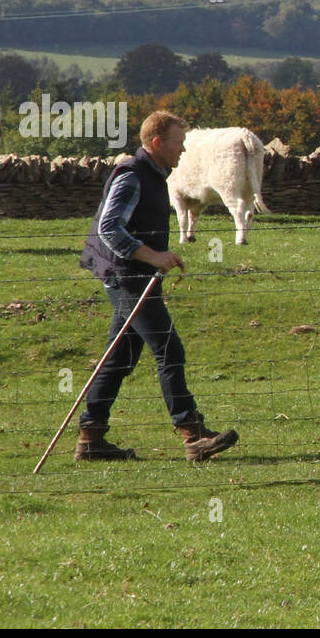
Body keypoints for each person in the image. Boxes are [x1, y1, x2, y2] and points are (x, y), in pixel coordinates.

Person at [76, 111, 239, 462]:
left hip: (131, 274)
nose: (183, 149)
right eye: (178, 142)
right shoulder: (133, 175)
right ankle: (192, 433)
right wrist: (151, 255)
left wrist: (159, 255)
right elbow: (109, 227)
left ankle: (91, 439)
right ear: (156, 143)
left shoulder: (151, 174)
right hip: (127, 276)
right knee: (169, 349)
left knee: (120, 357)